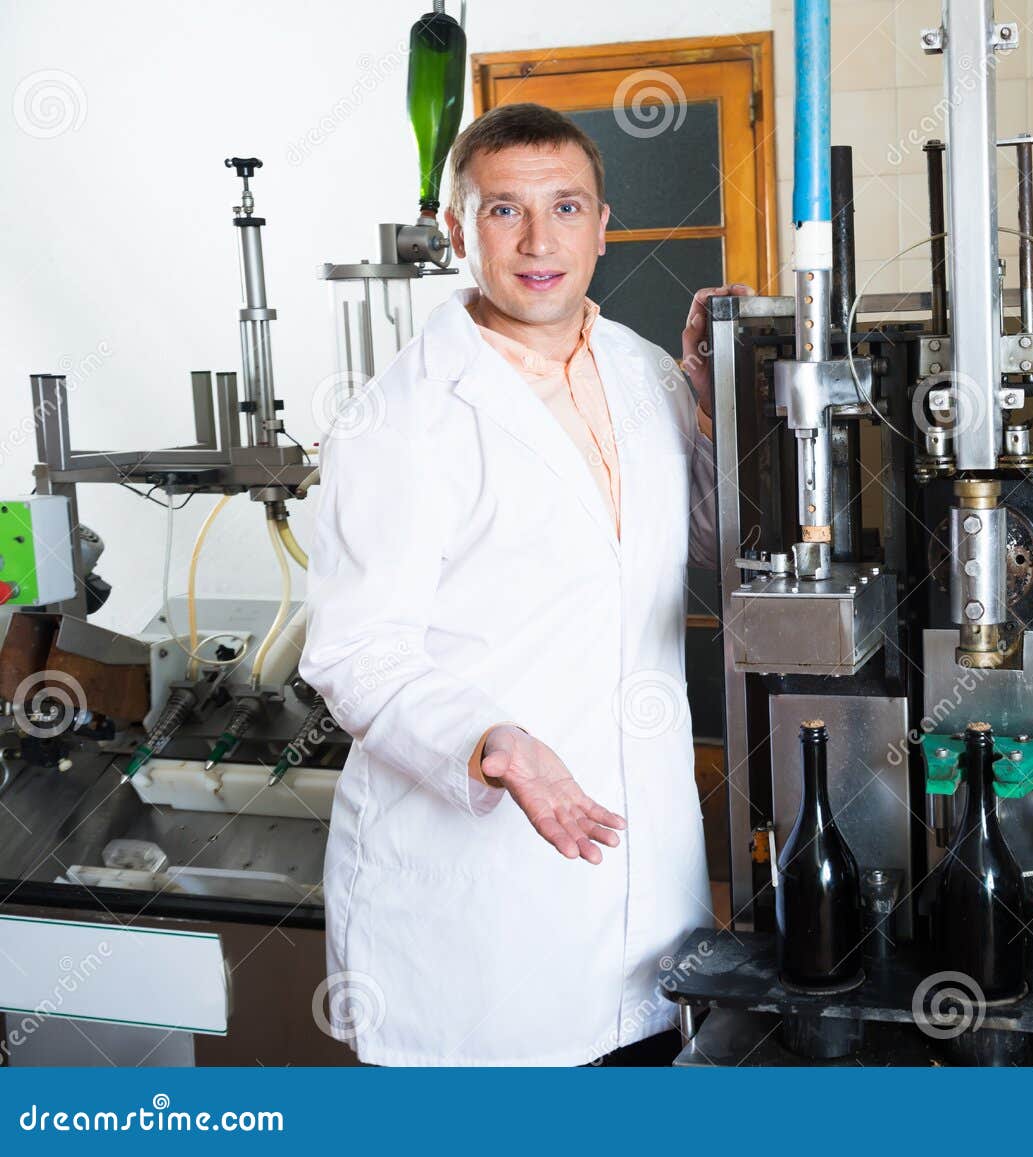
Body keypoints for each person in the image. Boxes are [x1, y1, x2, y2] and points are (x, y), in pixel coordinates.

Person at [301, 102, 749, 1066]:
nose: (540, 240)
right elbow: (353, 650)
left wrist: (727, 402)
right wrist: (489, 741)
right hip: (477, 923)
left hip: (643, 899)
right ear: (459, 231)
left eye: (566, 206)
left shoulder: (645, 375)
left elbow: (706, 551)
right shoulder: (399, 417)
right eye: (505, 211)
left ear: (603, 223)